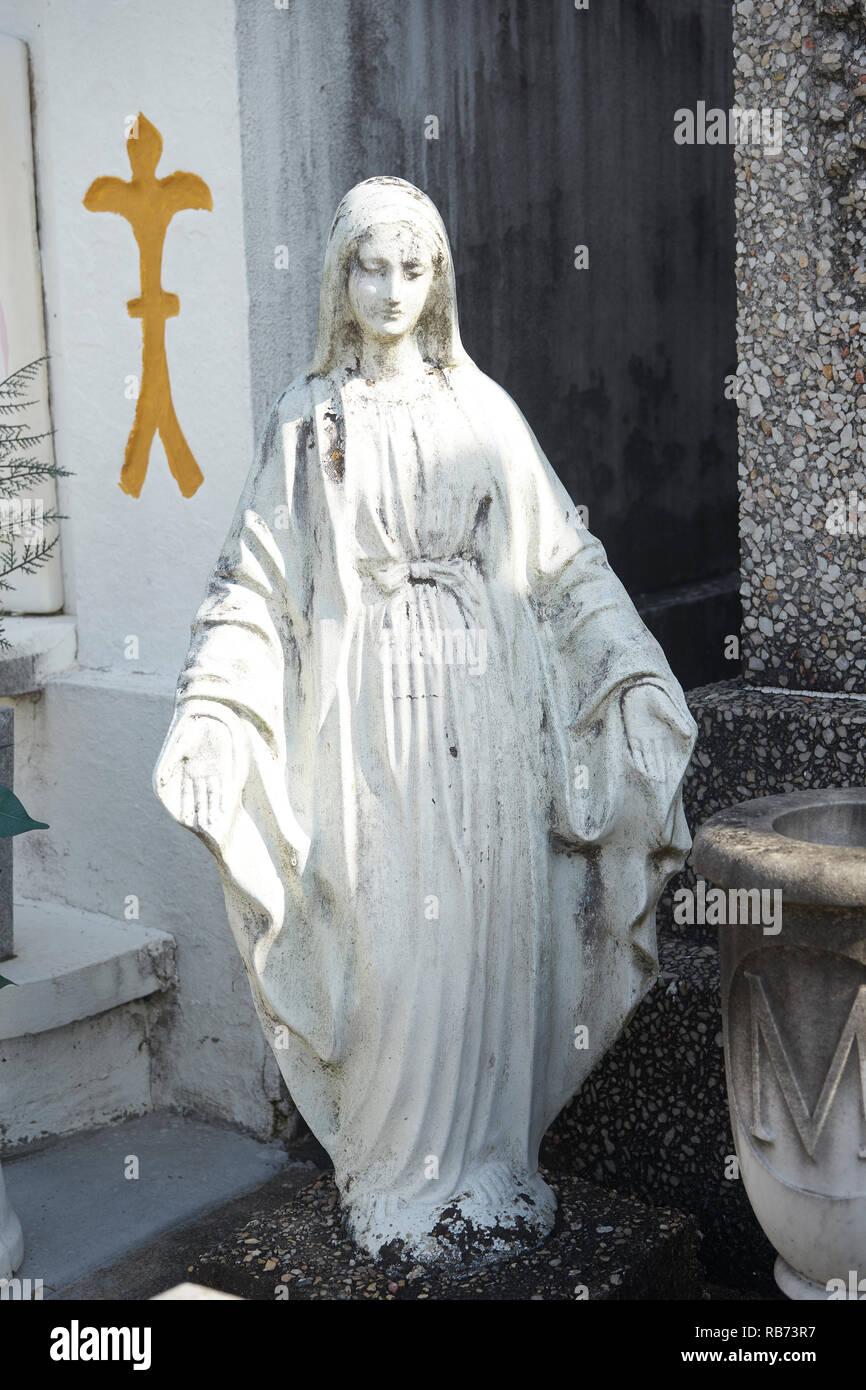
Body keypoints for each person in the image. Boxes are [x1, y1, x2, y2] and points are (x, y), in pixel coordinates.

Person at [154, 177, 696, 1267]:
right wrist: (213, 709)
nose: (391, 289)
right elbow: (253, 585)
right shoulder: (305, 424)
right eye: (369, 266)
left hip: (484, 717)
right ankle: (398, 1175)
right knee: (395, 939)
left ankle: (489, 1166)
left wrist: (631, 675)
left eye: (413, 268)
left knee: (487, 934)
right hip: (366, 728)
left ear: (438, 279)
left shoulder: (480, 409)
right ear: (337, 279)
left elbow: (562, 564)